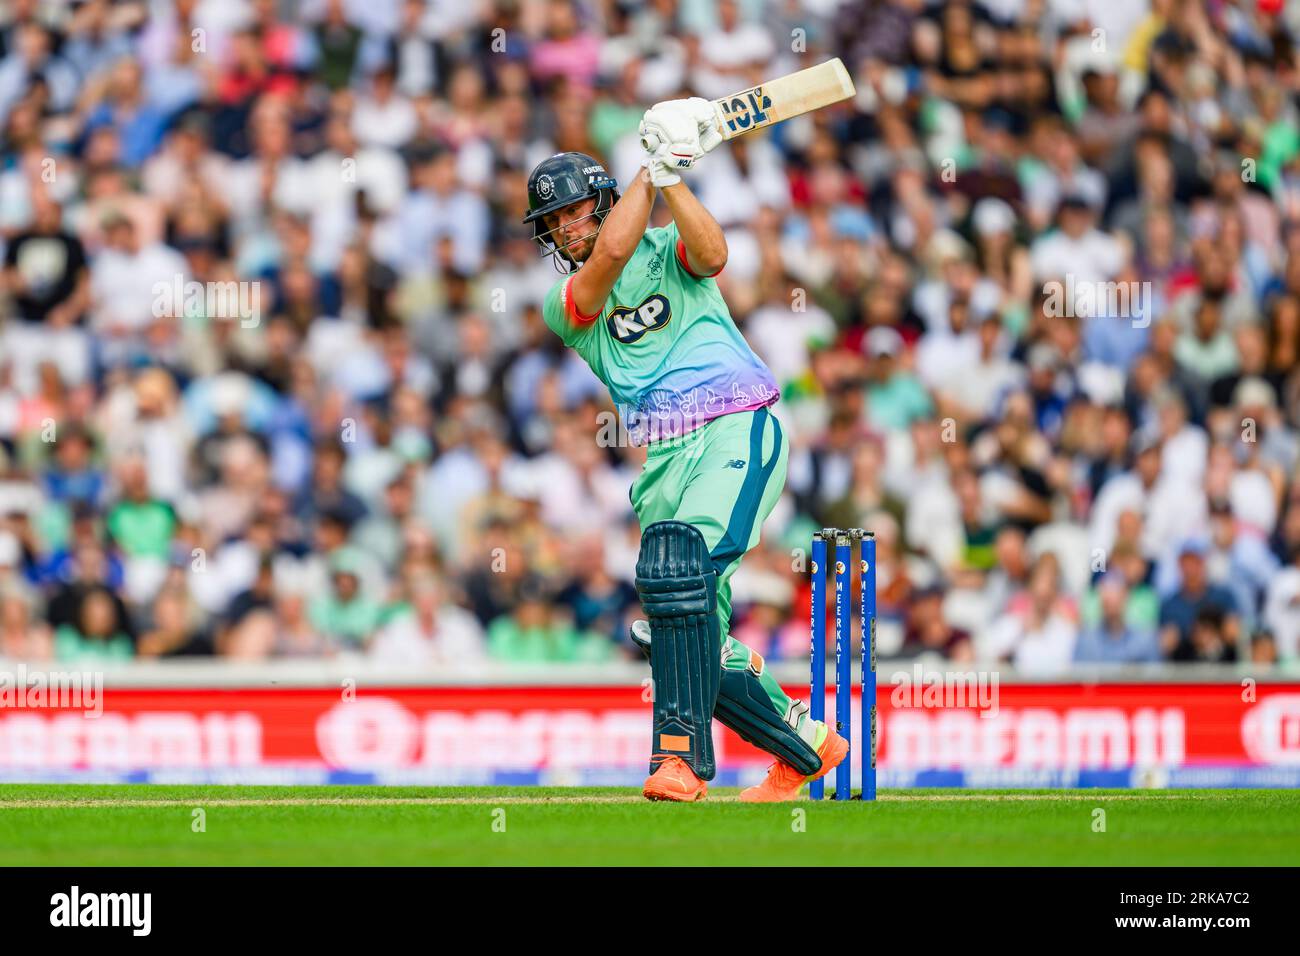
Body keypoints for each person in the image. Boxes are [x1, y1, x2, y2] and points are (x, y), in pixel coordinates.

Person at [524, 100, 845, 803]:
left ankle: (679, 761)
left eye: (578, 211)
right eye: (556, 223)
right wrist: (652, 165)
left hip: (735, 425)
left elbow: (716, 254)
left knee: (678, 584)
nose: (570, 230)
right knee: (686, 628)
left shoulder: (669, 248)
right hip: (664, 461)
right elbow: (609, 253)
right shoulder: (567, 302)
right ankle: (809, 746)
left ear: (606, 202)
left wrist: (670, 176)